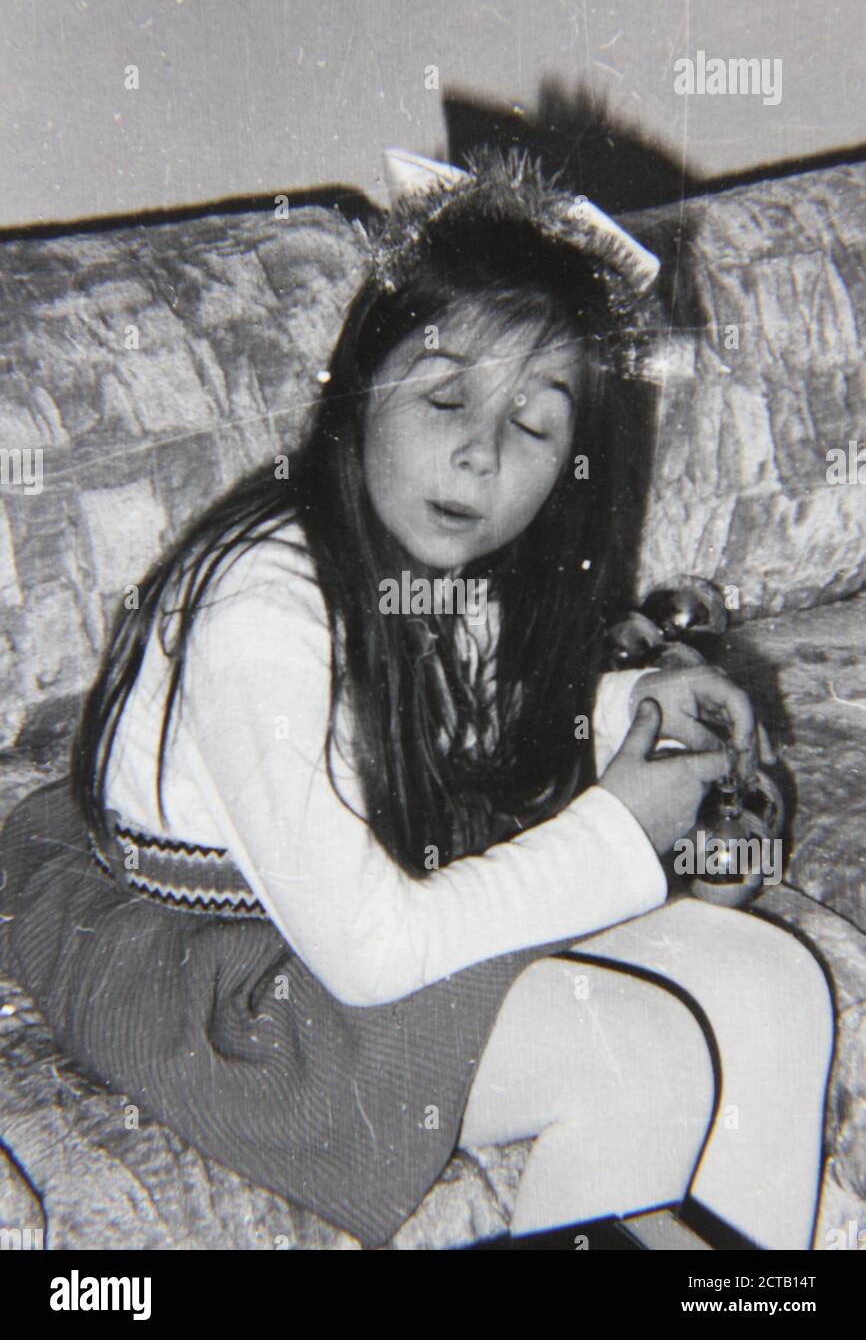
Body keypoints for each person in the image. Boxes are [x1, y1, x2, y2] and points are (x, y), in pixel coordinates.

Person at [0, 147, 834, 1251]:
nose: (479, 454)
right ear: (355, 392)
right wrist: (622, 830)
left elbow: (475, 724)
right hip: (222, 959)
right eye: (444, 395)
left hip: (352, 899)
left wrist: (640, 711)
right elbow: (371, 950)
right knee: (635, 1051)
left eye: (534, 425)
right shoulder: (260, 607)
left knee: (773, 985)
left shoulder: (448, 565)